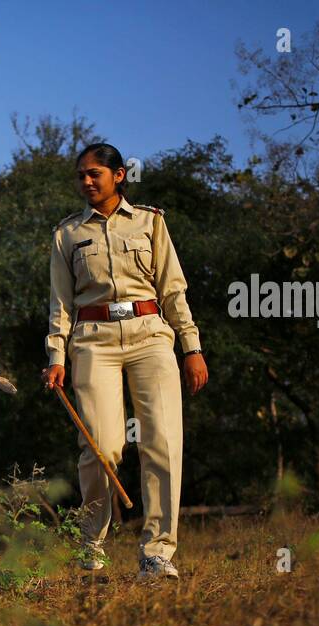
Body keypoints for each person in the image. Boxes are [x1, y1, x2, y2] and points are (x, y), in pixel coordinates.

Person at [41, 143, 210, 581]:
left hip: (150, 335)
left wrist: (191, 348)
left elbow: (173, 289)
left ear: (119, 175)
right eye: (80, 175)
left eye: (95, 173)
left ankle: (157, 552)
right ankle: (91, 544)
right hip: (92, 340)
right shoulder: (66, 234)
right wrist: (56, 355)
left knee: (163, 441)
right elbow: (60, 303)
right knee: (101, 444)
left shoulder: (151, 222)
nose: (86, 182)